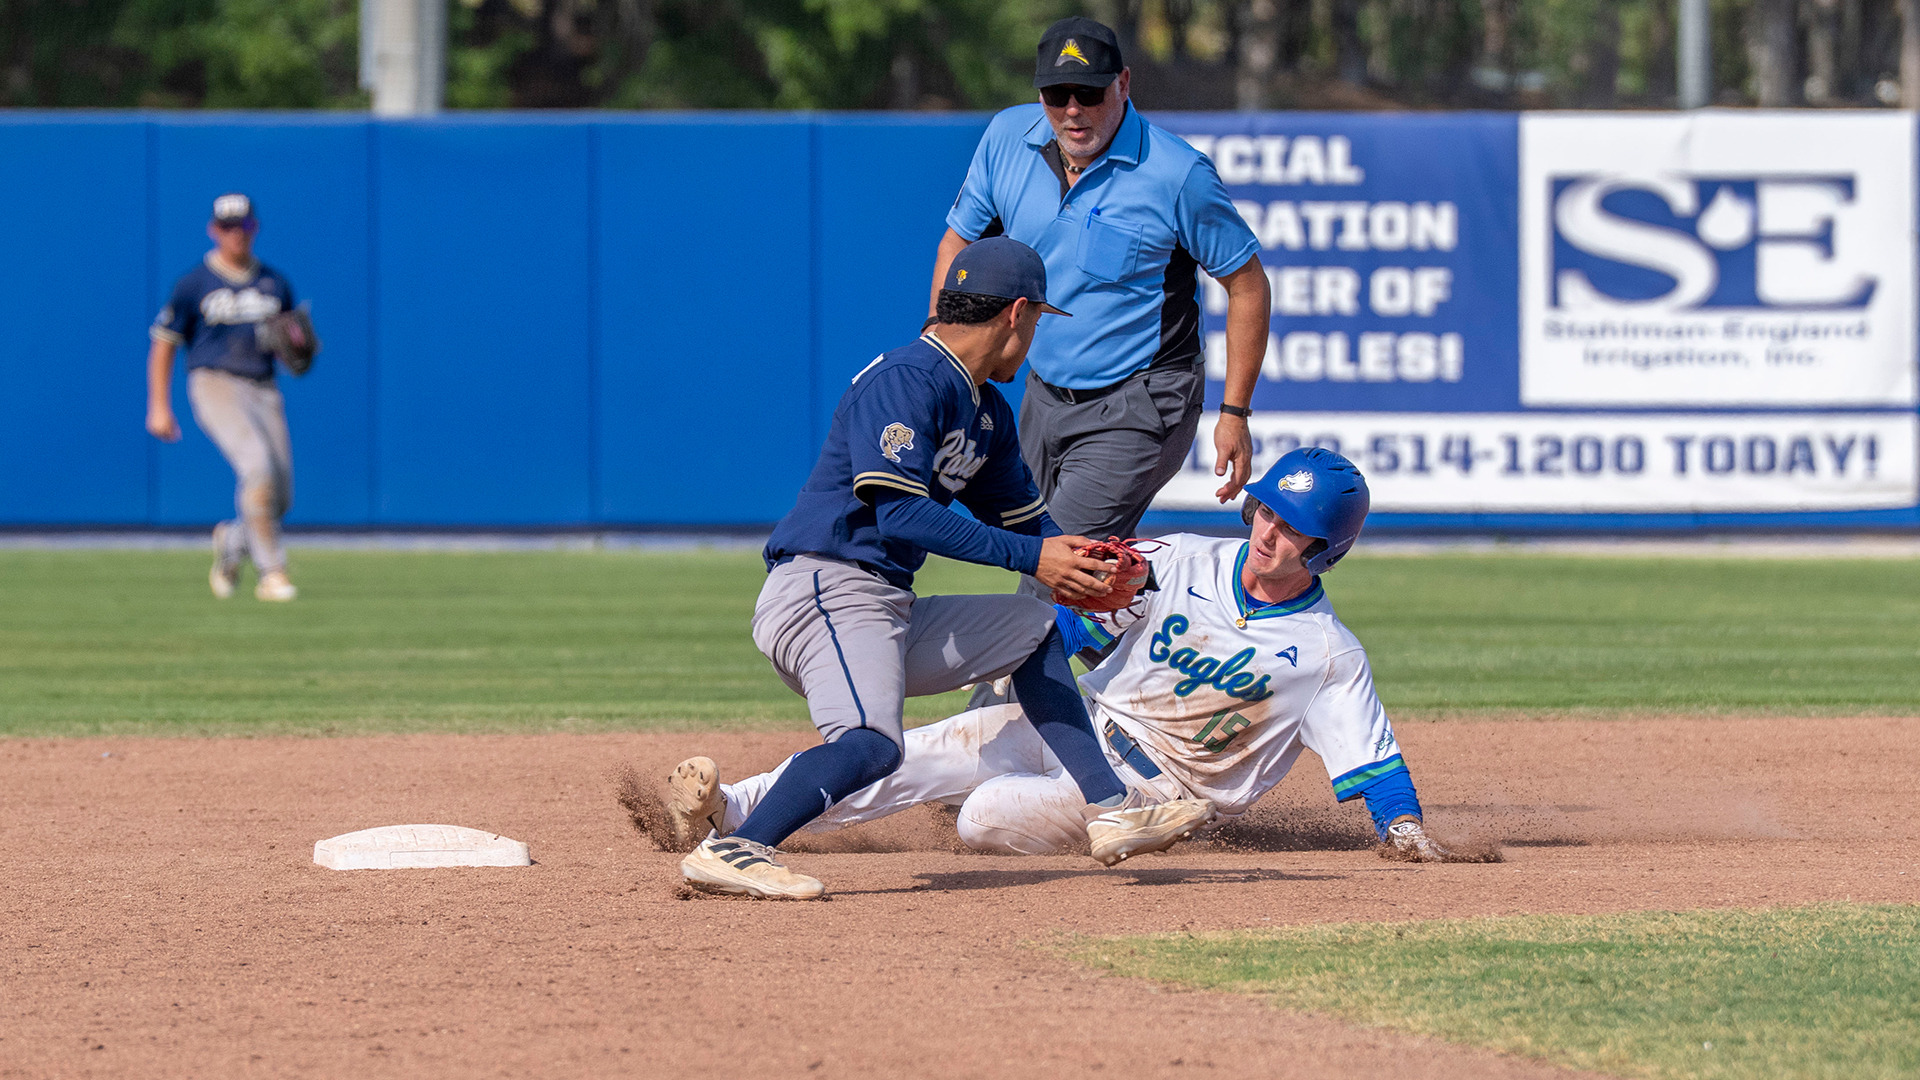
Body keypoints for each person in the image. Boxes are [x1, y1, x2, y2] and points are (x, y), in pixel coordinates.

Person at [676, 237, 1216, 901]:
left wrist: (1085, 566)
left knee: (1033, 626)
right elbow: (900, 514)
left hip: (881, 606)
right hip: (824, 588)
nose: (1035, 337)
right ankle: (738, 847)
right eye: (1039, 322)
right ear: (1017, 313)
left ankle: (1112, 810)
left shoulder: (986, 411)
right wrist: (1035, 557)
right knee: (875, 745)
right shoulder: (907, 378)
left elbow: (1030, 529)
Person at [668, 448, 1462, 864]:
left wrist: (1406, 831)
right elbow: (1077, 629)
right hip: (1084, 730)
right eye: (1267, 512)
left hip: (1158, 789)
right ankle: (732, 811)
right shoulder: (1183, 558)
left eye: (1292, 530)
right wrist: (1034, 666)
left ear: (1326, 554)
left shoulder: (1327, 656)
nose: (1268, 533)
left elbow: (1375, 763)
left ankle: (1113, 821)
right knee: (917, 752)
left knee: (979, 818)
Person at [930, 15, 1272, 549]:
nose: (1072, 109)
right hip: (1042, 395)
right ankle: (1157, 618)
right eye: (1056, 93)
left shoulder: (1178, 173)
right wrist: (944, 354)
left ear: (1124, 84)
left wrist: (1235, 413)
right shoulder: (1005, 139)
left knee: (1054, 575)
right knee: (1035, 558)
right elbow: (957, 245)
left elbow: (1248, 284)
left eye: (1089, 93)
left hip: (1142, 397)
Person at [145, 193, 303, 602]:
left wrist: (299, 347)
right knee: (257, 468)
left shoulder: (274, 282)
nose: (237, 235)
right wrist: (159, 405)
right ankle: (272, 573)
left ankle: (233, 542)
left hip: (263, 387)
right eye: (228, 227)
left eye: (244, 226)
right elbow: (164, 343)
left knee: (279, 497)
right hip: (214, 383)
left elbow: (294, 343)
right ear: (214, 231)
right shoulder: (194, 283)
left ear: (255, 228)